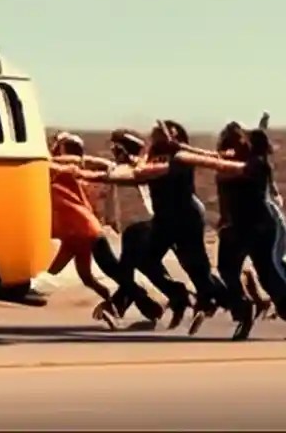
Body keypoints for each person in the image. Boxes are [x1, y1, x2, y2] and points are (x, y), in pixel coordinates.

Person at [120, 120, 237, 335]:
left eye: (163, 133)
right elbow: (139, 170)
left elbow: (145, 172)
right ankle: (179, 296)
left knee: (197, 268)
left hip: (186, 217)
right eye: (155, 132)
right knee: (146, 259)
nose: (157, 135)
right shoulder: (154, 155)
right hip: (164, 219)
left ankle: (236, 305)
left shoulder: (181, 155)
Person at [42, 132, 157, 328]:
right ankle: (122, 304)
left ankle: (142, 305)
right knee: (100, 274)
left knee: (117, 271)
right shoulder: (66, 172)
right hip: (75, 234)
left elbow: (70, 163)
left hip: (88, 230)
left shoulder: (67, 171)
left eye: (58, 145)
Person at [83, 129, 188, 329]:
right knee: (146, 268)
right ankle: (169, 298)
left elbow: (118, 173)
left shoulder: (135, 168)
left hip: (141, 224)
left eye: (116, 148)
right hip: (132, 227)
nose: (113, 151)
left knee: (127, 271)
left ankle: (126, 306)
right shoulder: (123, 168)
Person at [200, 127, 286, 339]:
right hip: (235, 226)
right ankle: (243, 310)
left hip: (259, 225)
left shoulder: (256, 164)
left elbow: (231, 169)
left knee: (268, 274)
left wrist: (204, 157)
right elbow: (224, 193)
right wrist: (224, 219)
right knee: (227, 270)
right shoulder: (225, 167)